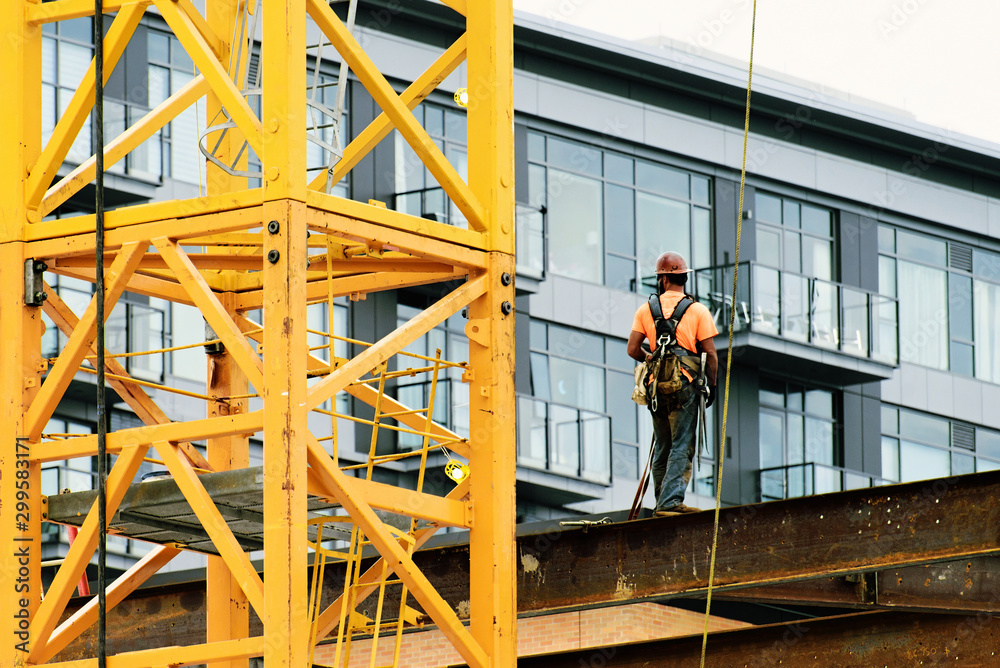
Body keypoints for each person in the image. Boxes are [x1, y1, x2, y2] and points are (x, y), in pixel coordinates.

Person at [627, 252, 718, 517]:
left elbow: (633, 349)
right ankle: (669, 503)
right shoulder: (698, 310)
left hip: (656, 388)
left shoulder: (646, 310)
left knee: (663, 446)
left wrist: (652, 358)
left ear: (663, 279)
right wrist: (711, 384)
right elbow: (710, 353)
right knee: (681, 445)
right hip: (685, 386)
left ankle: (662, 502)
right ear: (681, 278)